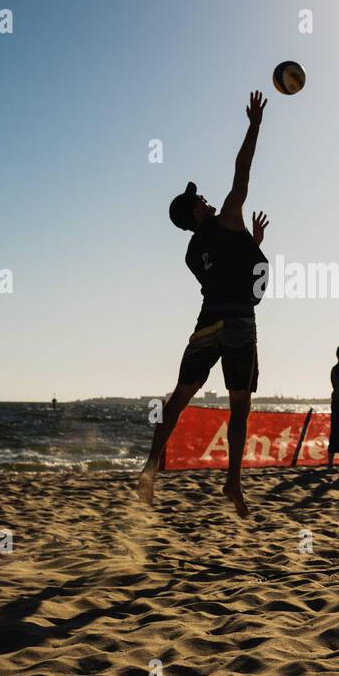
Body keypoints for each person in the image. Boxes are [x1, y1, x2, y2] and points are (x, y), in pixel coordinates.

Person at [136, 91, 269, 518]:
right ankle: (232, 481)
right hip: (236, 324)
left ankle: (150, 470)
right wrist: (254, 125)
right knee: (240, 408)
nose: (204, 197)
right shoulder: (227, 216)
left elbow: (226, 268)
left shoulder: (192, 253)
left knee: (177, 400)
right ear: (194, 213)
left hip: (205, 325)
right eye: (197, 199)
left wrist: (252, 243)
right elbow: (242, 173)